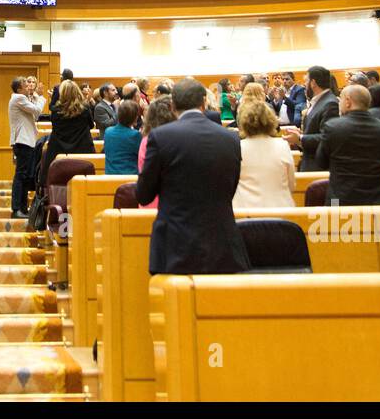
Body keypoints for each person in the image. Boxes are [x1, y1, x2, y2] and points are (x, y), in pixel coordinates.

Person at [136, 78, 250, 274]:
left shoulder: (160, 137)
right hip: (221, 242)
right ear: (204, 103)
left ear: (172, 106)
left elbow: (144, 194)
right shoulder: (230, 138)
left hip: (175, 244)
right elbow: (230, 189)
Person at [315, 85, 380, 205]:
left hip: (338, 200)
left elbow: (321, 162)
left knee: (332, 220)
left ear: (348, 101)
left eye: (341, 100)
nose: (339, 103)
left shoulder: (332, 127)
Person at [232, 99, 295, 209]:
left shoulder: (236, 147)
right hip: (281, 211)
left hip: (245, 212)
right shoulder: (283, 145)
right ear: (271, 121)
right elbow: (291, 185)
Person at [282, 65, 339, 172]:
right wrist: (301, 133)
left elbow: (327, 138)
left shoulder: (330, 103)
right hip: (310, 162)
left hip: (318, 166)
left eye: (306, 81)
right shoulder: (320, 101)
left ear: (313, 83)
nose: (304, 85)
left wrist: (300, 138)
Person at [8, 76, 45, 217]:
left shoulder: (21, 99)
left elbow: (33, 115)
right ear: (19, 89)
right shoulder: (18, 98)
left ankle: (23, 209)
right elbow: (37, 111)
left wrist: (36, 97)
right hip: (22, 141)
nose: (28, 87)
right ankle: (16, 209)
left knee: (25, 176)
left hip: (27, 141)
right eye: (25, 85)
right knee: (20, 175)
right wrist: (40, 97)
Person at [42, 80, 95, 174]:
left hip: (58, 152)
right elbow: (91, 126)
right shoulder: (85, 108)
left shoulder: (55, 110)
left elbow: (55, 127)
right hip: (82, 151)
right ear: (77, 91)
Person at [102, 99, 143, 177]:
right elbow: (142, 156)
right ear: (135, 117)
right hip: (130, 177)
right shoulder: (135, 135)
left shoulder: (108, 132)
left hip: (110, 176)